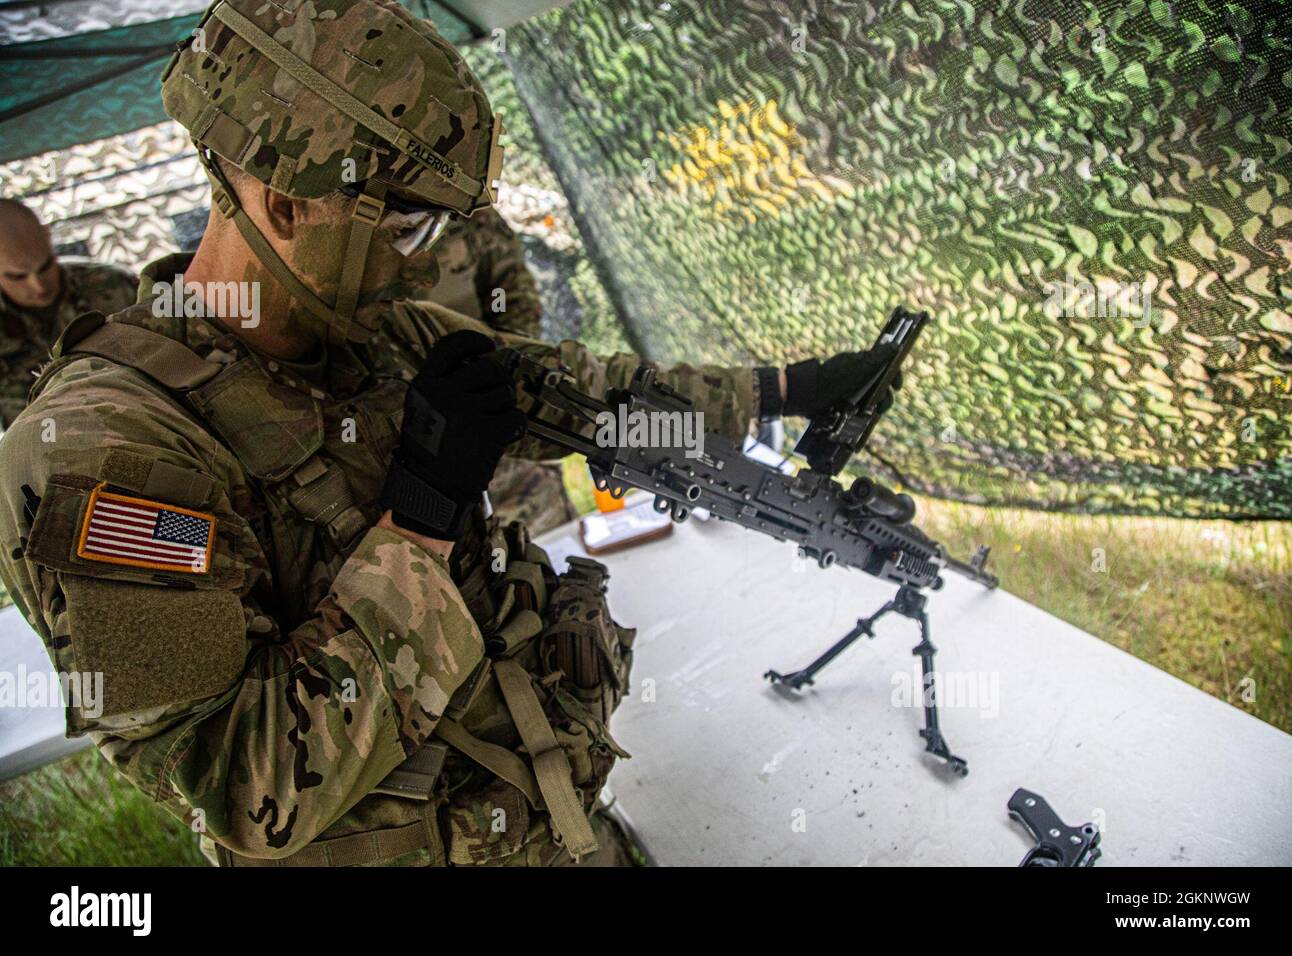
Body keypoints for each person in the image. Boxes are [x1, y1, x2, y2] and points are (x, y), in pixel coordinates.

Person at [0, 0, 898, 867]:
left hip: (543, 823)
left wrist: (793, 389)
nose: (428, 258)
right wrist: (419, 521)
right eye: (405, 221)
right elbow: (242, 785)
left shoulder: (385, 335)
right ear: (283, 202)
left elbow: (593, 397)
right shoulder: (102, 455)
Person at [399, 206, 577, 533]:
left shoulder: (467, 215)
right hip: (411, 440)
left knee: (550, 536)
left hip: (492, 419)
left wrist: (495, 373)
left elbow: (517, 305)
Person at [0, 199, 135, 428]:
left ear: (48, 237)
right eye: (18, 276)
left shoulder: (116, 287)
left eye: (45, 266)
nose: (38, 286)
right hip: (45, 452)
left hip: (135, 428)